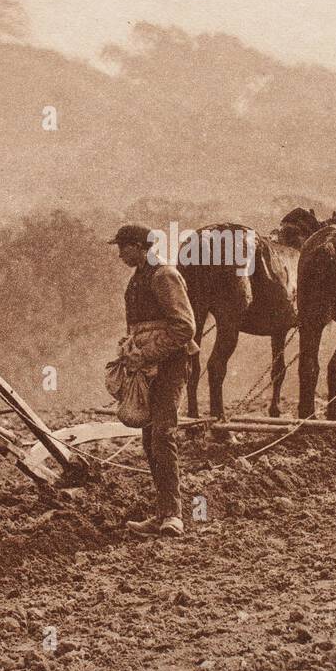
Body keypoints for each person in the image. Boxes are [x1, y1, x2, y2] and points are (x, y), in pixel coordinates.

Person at [109, 224, 200, 537]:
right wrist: (129, 349)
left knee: (162, 434)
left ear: (138, 246)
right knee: (150, 439)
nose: (120, 254)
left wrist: (147, 353)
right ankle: (162, 512)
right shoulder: (137, 280)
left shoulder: (163, 276)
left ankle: (173, 515)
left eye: (123, 247)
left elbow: (185, 328)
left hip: (171, 366)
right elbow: (137, 327)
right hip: (147, 367)